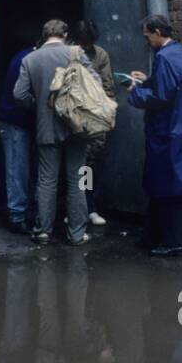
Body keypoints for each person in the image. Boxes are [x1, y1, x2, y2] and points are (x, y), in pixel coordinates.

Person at [125, 15, 182, 257]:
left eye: (147, 36)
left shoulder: (164, 57)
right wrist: (148, 80)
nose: (146, 41)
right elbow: (171, 87)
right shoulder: (179, 53)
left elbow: (160, 97)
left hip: (167, 131)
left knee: (167, 189)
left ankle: (174, 242)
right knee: (164, 187)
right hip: (181, 128)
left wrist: (135, 92)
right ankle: (153, 235)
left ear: (156, 32)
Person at [13, 19, 100, 247]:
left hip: (46, 127)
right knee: (78, 180)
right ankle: (77, 233)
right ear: (65, 34)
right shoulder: (76, 53)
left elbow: (19, 95)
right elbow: (96, 84)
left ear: (44, 36)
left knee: (46, 181)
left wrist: (40, 105)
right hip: (77, 127)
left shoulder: (30, 59)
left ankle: (43, 231)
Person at [69, 18, 115, 228]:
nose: (86, 48)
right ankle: (72, 209)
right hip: (70, 118)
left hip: (93, 119)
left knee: (89, 166)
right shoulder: (66, 53)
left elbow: (107, 86)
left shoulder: (100, 54)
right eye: (83, 44)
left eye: (89, 44)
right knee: (70, 167)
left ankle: (89, 207)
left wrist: (106, 114)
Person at [0, 43, 37, 234]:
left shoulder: (25, 57)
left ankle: (21, 212)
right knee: (17, 168)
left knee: (20, 168)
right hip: (15, 121)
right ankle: (16, 216)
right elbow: (20, 95)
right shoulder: (27, 60)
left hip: (20, 121)